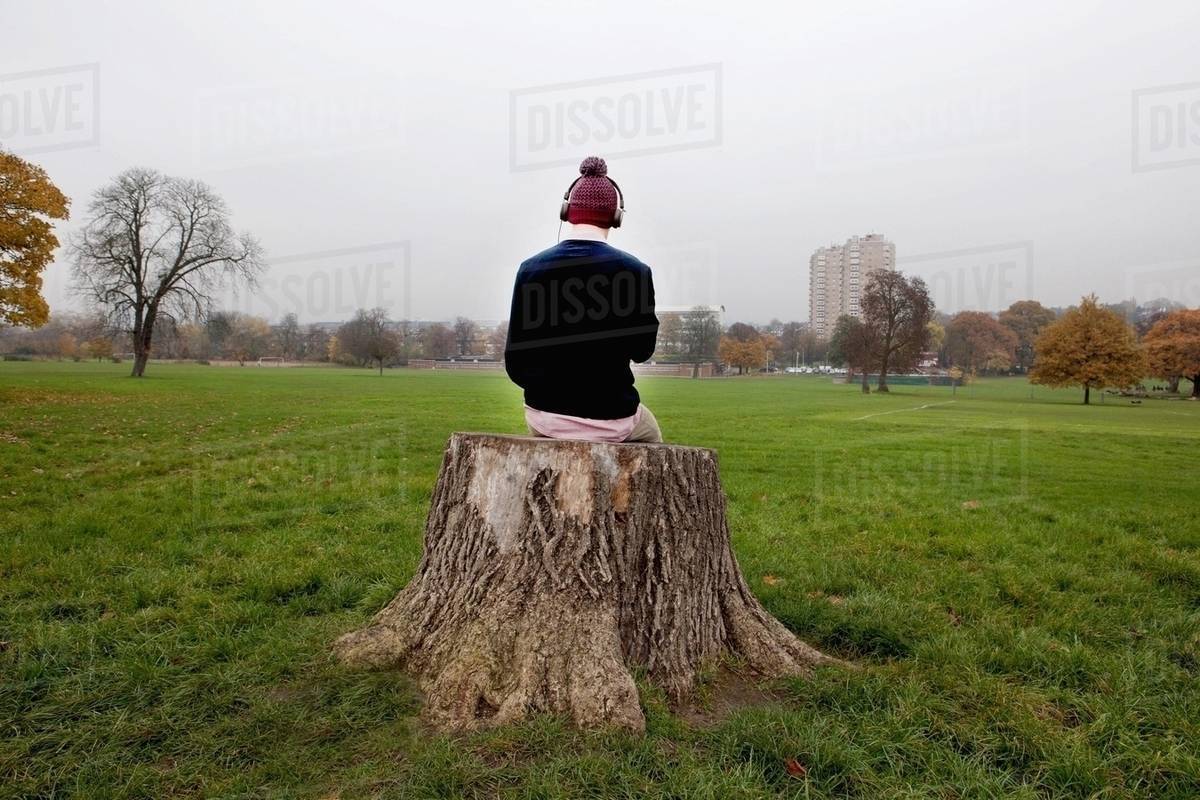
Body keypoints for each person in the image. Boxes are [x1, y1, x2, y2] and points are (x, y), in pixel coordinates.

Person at [504, 156, 662, 443]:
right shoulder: (636, 272)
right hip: (614, 416)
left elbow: (515, 363)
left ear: (568, 211)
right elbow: (643, 351)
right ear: (616, 216)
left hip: (545, 415)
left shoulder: (529, 269)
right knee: (653, 437)